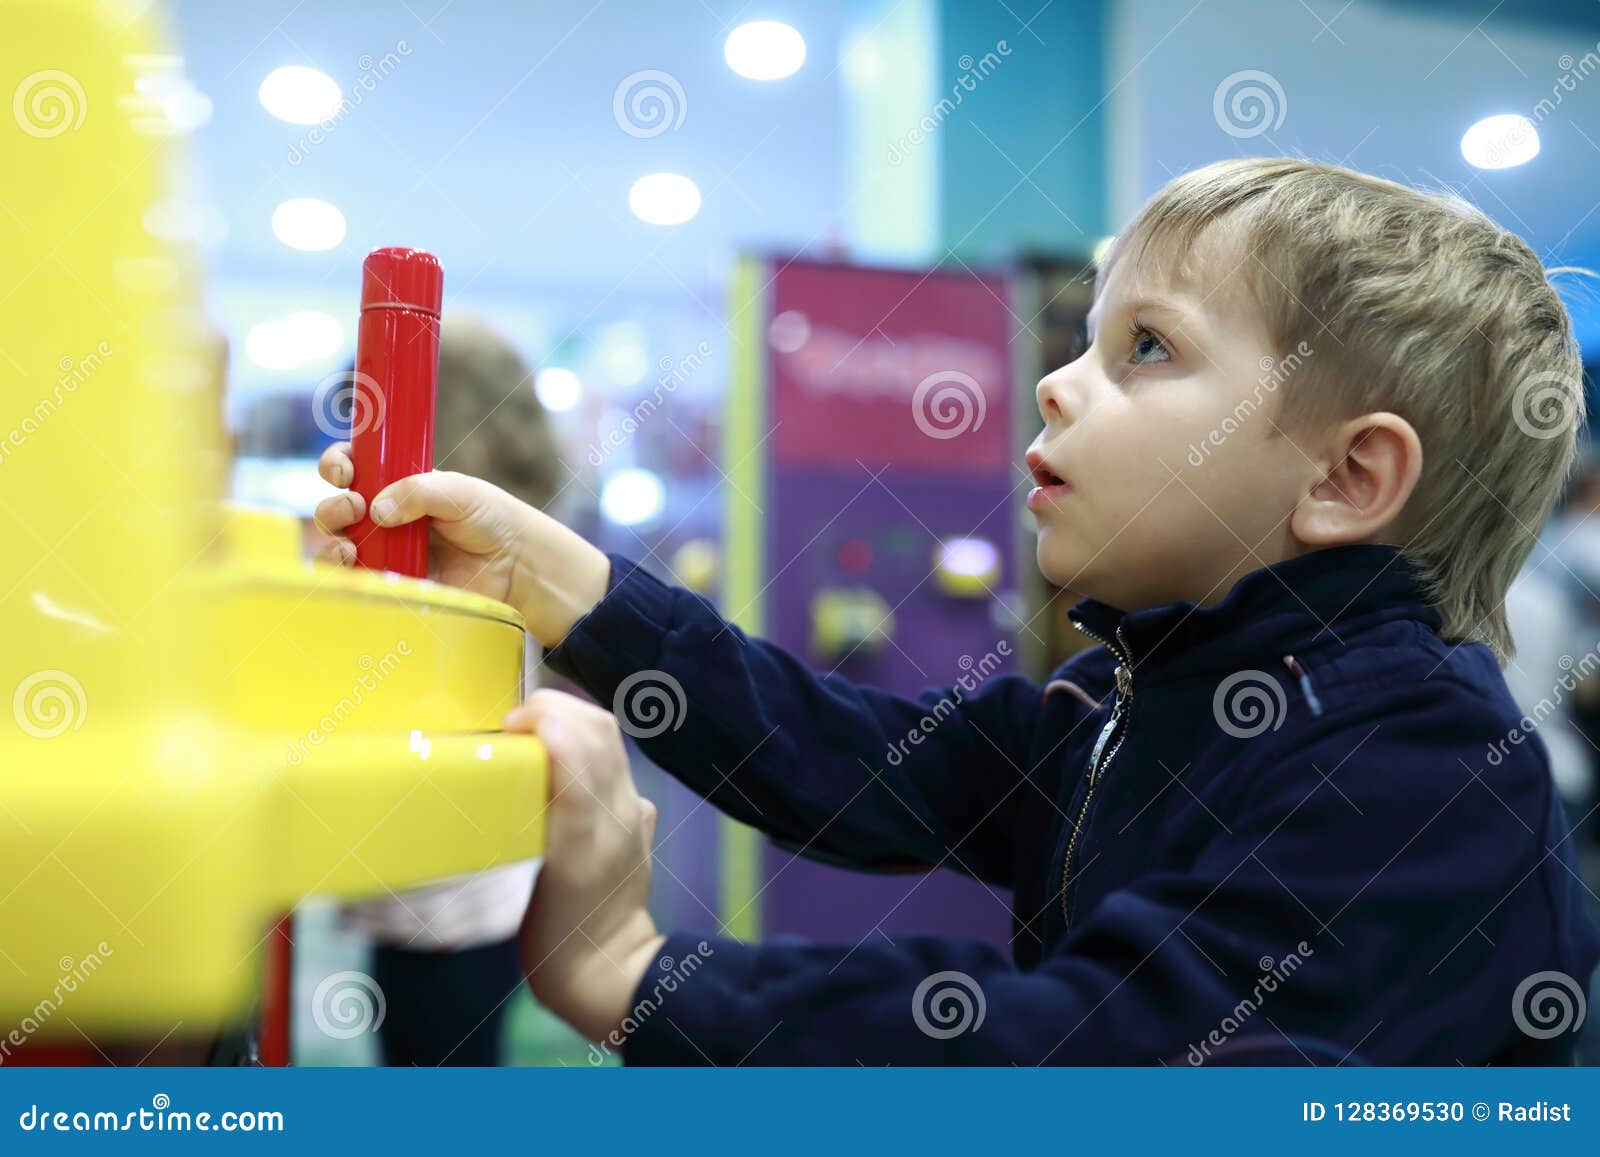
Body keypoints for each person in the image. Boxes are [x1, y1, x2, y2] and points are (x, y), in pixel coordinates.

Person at [312, 158, 1600, 1065]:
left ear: (1344, 476)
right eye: (1083, 342)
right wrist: (560, 584)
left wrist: (645, 978)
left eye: (1145, 348)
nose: (1054, 384)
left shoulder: (1417, 765)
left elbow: (1097, 1048)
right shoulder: (1124, 698)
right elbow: (856, 756)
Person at [334, 317, 565, 1066]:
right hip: (450, 882)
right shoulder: (501, 554)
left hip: (453, 893)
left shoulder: (465, 568)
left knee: (434, 1055)